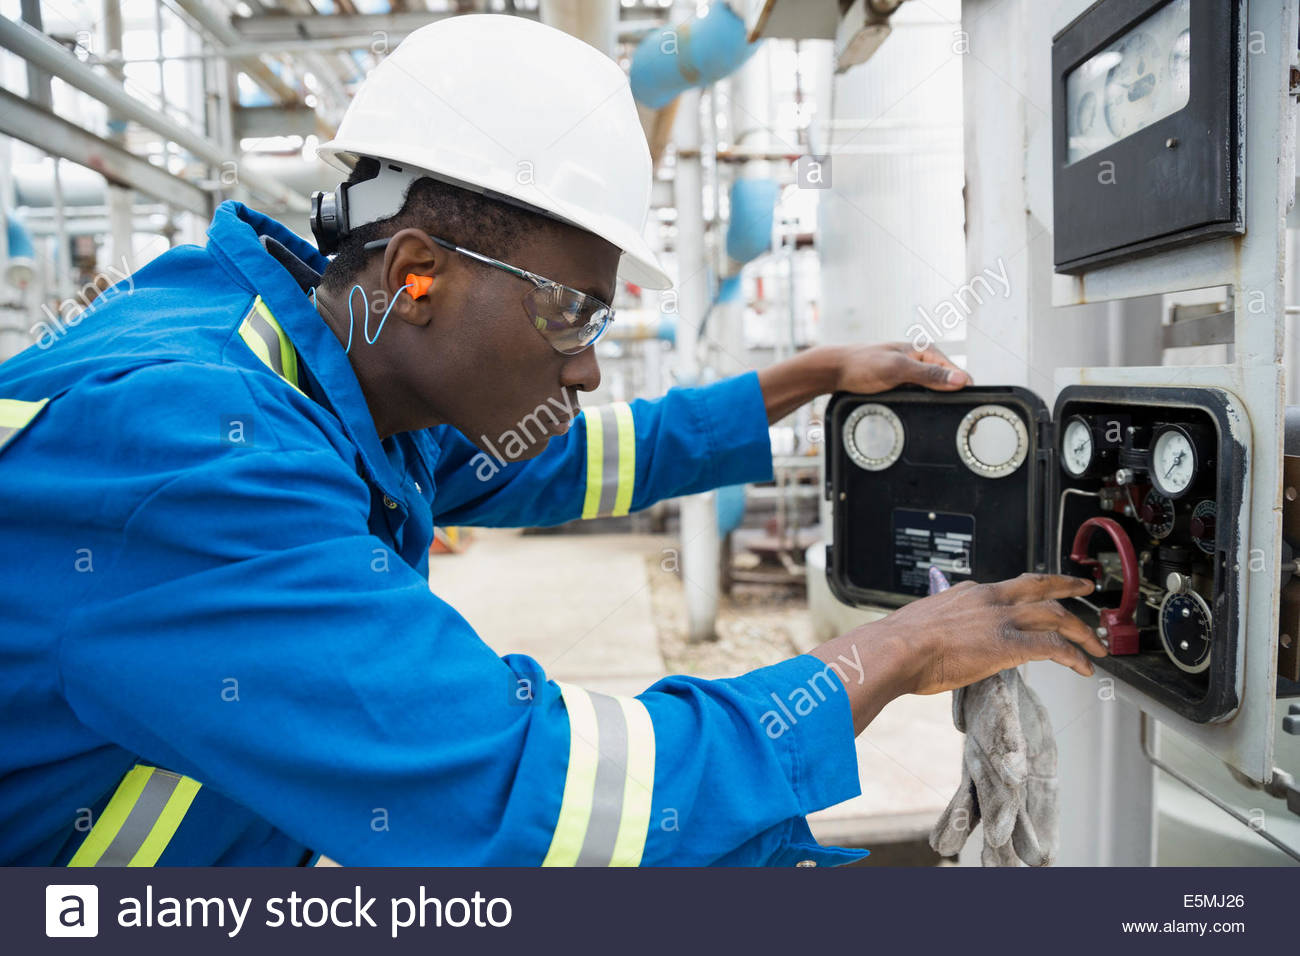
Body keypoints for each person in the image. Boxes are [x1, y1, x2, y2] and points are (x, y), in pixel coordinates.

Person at [0, 14, 1105, 867]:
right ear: (416, 272)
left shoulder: (309, 362)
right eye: (572, 312)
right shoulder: (186, 454)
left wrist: (811, 378)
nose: (582, 365)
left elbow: (565, 455)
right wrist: (894, 651)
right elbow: (535, 790)